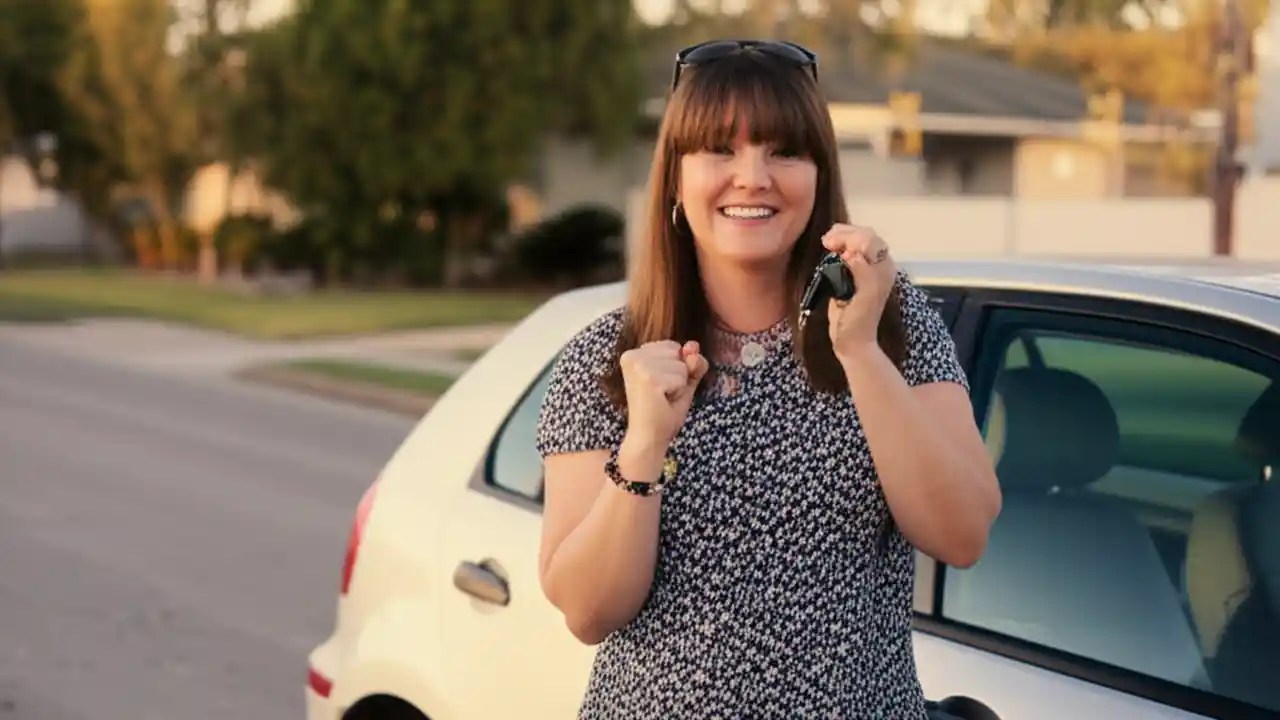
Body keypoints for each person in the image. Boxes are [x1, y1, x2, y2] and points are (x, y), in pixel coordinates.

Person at [535, 39, 1002, 719]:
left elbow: (962, 535)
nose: (753, 176)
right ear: (675, 176)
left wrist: (862, 355)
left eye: (784, 150)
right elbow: (587, 612)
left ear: (819, 176)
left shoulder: (893, 327)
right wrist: (643, 446)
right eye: (720, 149)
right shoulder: (608, 359)